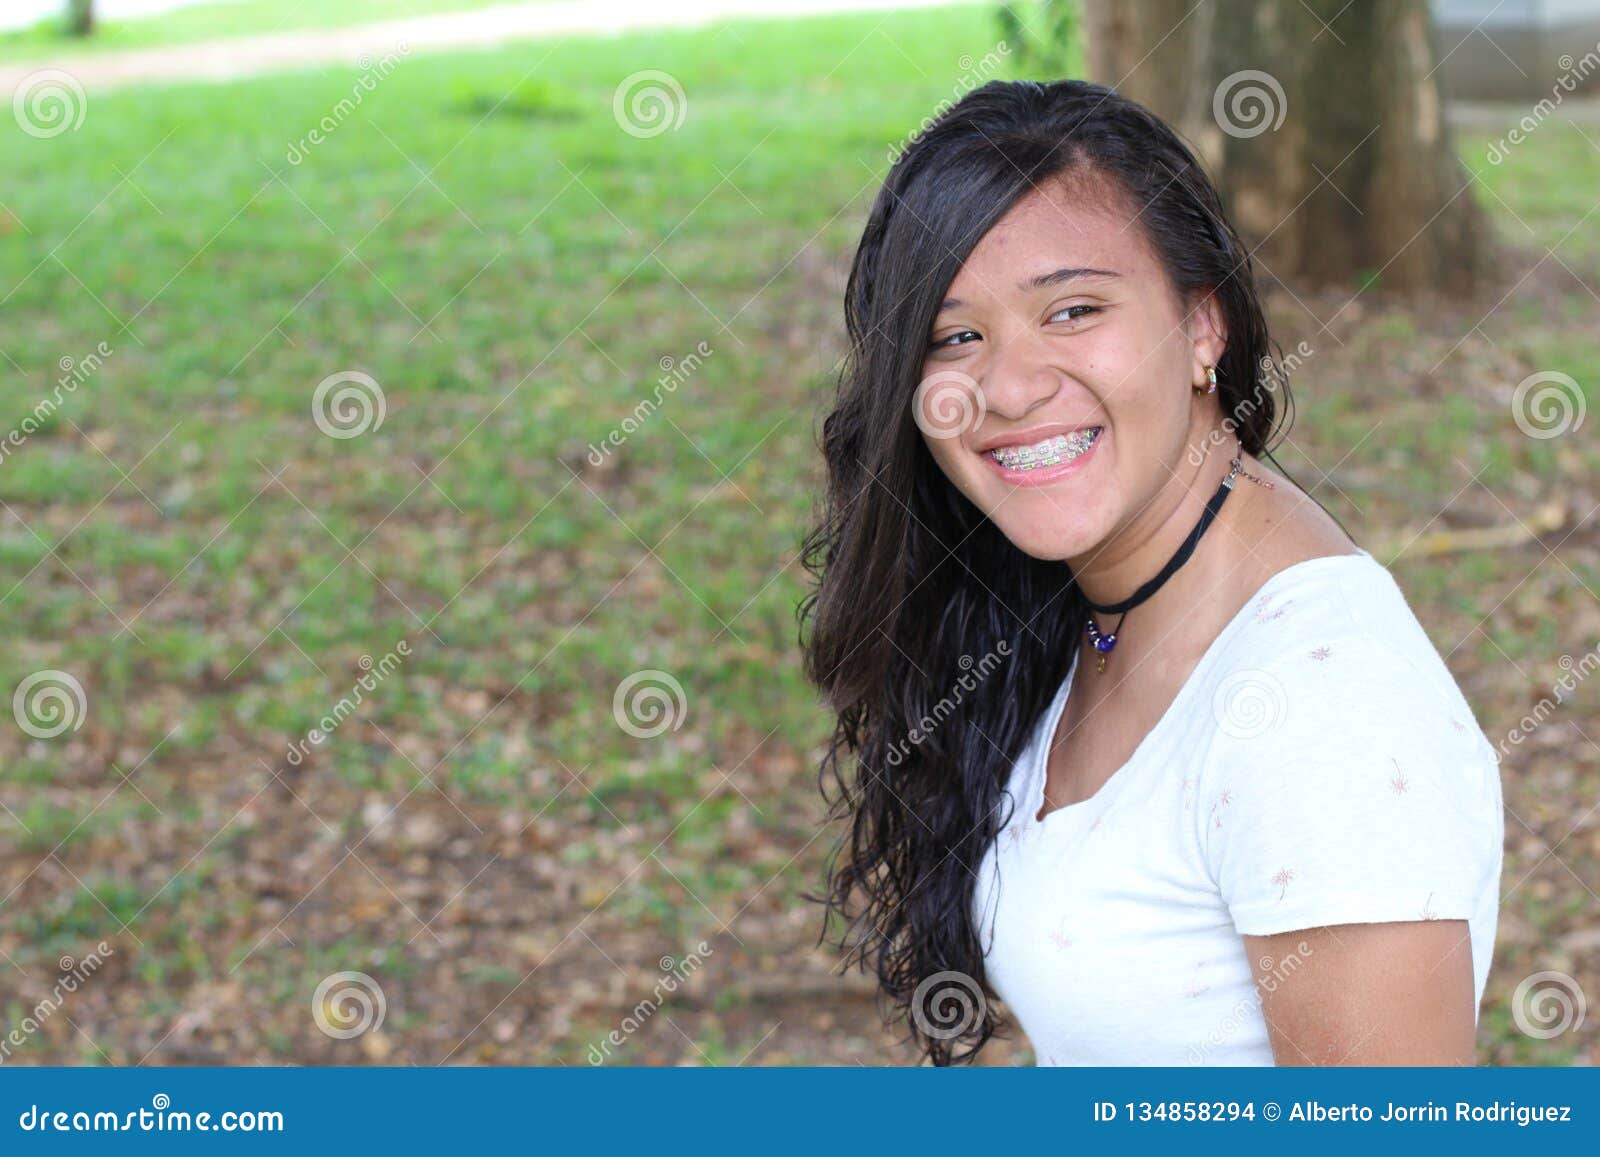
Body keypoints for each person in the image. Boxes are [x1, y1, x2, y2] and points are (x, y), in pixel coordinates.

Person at [798, 78, 1504, 1066]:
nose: (1007, 385)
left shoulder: (1318, 702)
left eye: (1072, 309)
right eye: (955, 336)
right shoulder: (1103, 597)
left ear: (1202, 324)